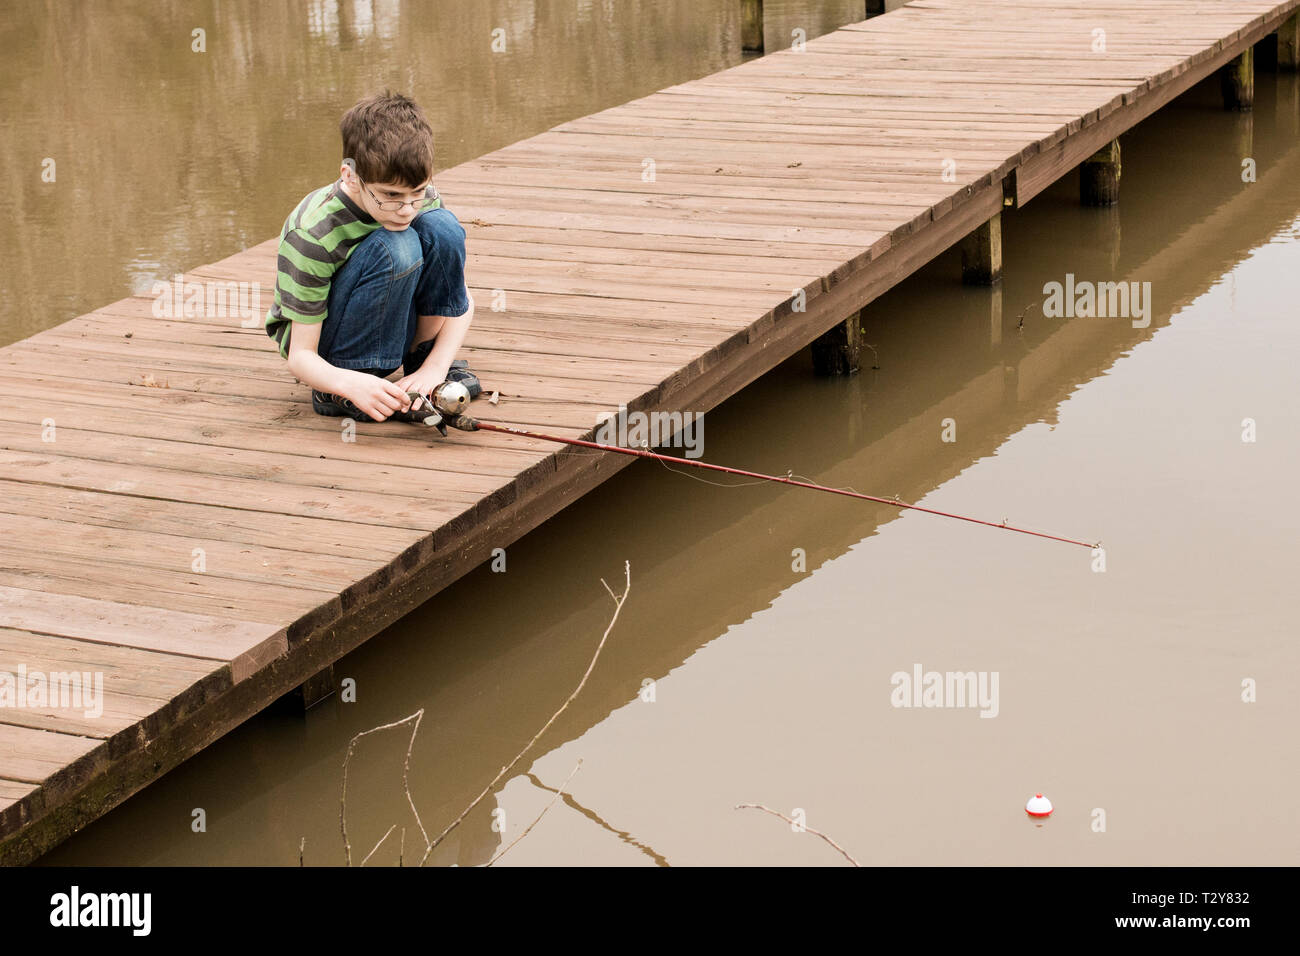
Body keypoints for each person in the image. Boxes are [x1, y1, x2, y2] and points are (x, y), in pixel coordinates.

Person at [264, 90, 479, 423]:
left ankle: (420, 362)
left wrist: (435, 367)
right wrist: (345, 382)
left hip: (392, 326)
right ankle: (349, 383)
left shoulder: (419, 198)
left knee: (443, 228)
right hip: (327, 352)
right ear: (350, 175)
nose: (407, 208)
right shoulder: (313, 233)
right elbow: (299, 355)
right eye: (390, 196)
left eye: (417, 193)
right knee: (398, 245)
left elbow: (462, 300)